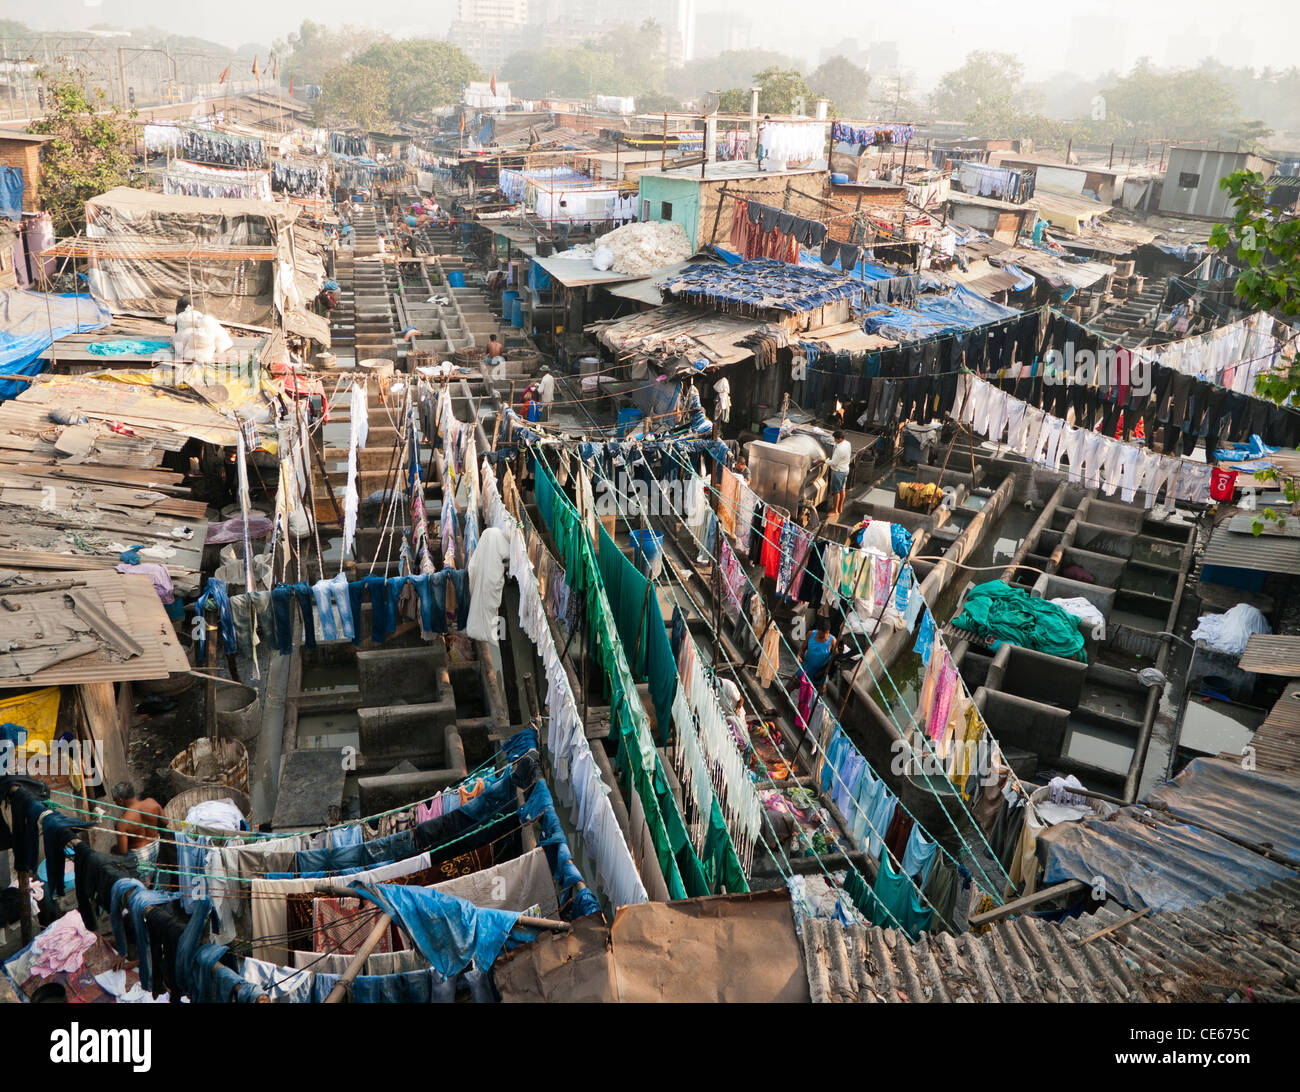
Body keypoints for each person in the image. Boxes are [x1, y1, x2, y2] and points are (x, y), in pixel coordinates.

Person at [111, 781, 164, 881]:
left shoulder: (122, 822)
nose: (116, 803)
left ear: (121, 800)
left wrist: (114, 849)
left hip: (139, 856)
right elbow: (165, 822)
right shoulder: (151, 803)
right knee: (151, 874)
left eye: (115, 800)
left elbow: (123, 851)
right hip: (155, 846)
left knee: (141, 883)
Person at [797, 621, 838, 689]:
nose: (821, 635)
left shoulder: (832, 641)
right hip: (805, 669)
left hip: (819, 675)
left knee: (815, 697)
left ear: (828, 632)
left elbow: (836, 656)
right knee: (789, 686)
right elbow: (802, 648)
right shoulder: (811, 634)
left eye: (823, 634)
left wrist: (834, 664)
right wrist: (798, 655)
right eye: (819, 632)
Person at [827, 429, 852, 517]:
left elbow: (834, 462)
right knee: (842, 489)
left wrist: (824, 461)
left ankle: (835, 511)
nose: (834, 440)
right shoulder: (847, 443)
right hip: (845, 470)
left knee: (836, 491)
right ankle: (840, 508)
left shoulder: (840, 449)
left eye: (835, 439)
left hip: (838, 472)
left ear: (840, 439)